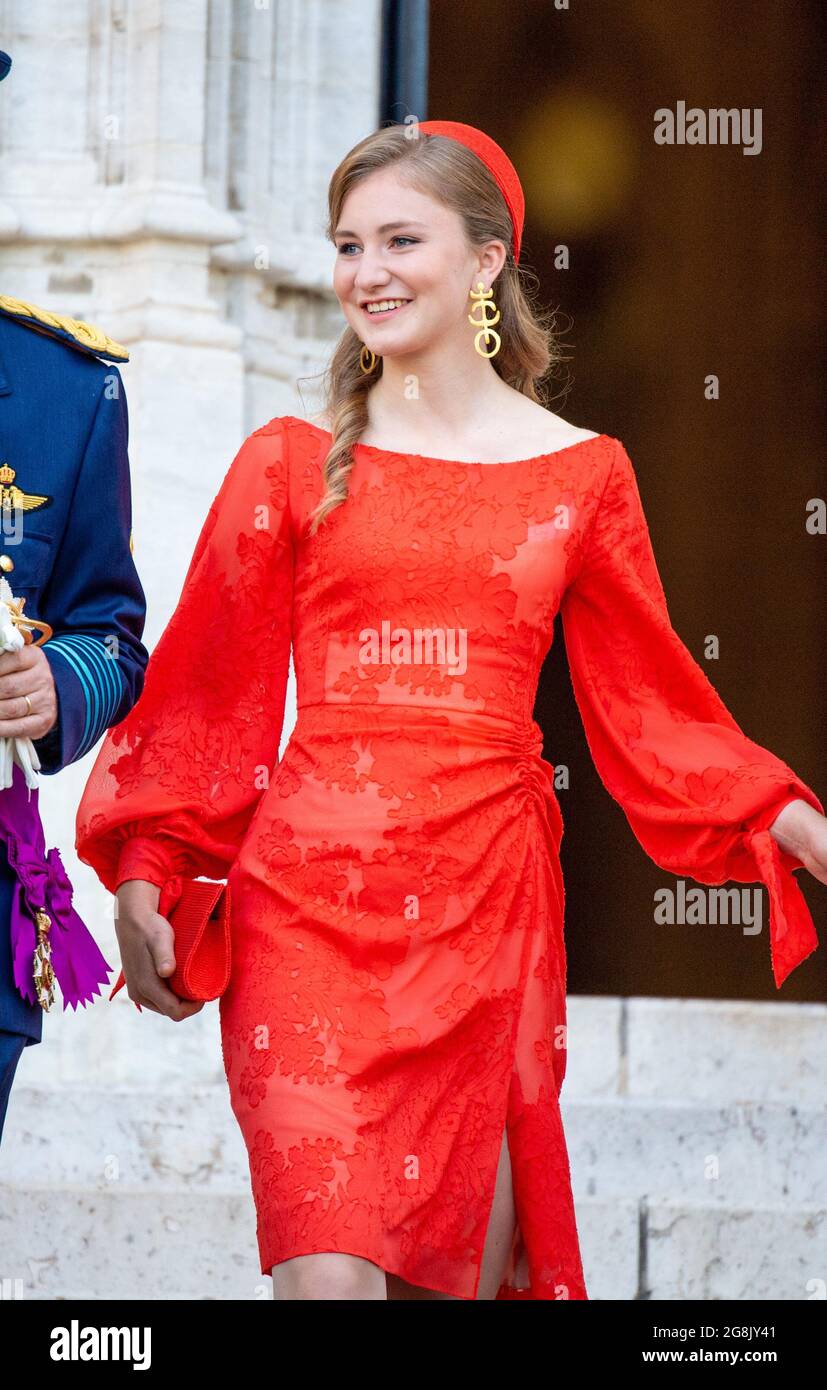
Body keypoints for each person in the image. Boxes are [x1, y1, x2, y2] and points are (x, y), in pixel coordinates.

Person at [74, 119, 826, 1302]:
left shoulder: (584, 474)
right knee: (325, 1277)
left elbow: (652, 705)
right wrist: (142, 875)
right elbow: (201, 700)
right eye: (345, 244)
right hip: (302, 919)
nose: (365, 270)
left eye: (399, 239)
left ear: (485, 260)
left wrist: (789, 821)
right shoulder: (284, 459)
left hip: (484, 917)